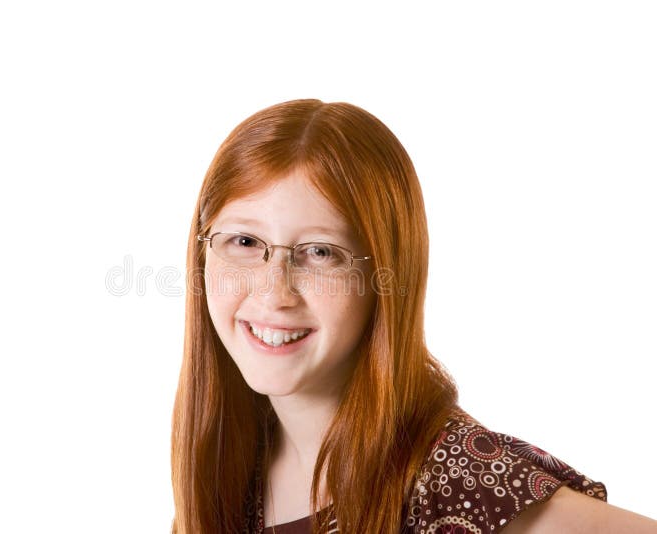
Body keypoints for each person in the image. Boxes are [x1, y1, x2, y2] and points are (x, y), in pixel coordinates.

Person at [170, 99, 657, 533]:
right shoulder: (232, 463)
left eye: (321, 252)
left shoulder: (459, 480)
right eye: (245, 242)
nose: (274, 291)